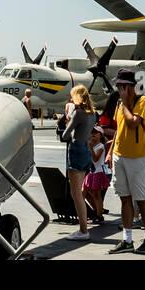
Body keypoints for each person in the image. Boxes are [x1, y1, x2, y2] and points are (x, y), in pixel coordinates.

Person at [106, 69, 145, 254]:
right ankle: (127, 240)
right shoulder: (120, 105)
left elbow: (133, 123)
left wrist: (125, 104)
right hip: (120, 156)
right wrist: (110, 152)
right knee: (124, 198)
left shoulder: (141, 101)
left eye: (122, 86)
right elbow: (119, 129)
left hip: (137, 157)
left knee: (142, 200)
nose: (119, 89)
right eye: (118, 86)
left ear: (131, 87)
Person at [62, 84, 96, 239]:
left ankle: (83, 230)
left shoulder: (78, 113)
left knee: (76, 193)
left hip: (76, 149)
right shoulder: (92, 113)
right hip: (86, 150)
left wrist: (68, 119)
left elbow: (65, 135)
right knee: (79, 191)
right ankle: (83, 227)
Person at [84, 126, 111, 224]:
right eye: (92, 133)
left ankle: (99, 215)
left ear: (100, 135)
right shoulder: (90, 145)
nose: (93, 135)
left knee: (97, 195)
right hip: (91, 172)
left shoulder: (100, 146)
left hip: (98, 172)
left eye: (96, 133)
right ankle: (96, 210)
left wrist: (90, 148)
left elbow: (95, 159)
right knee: (85, 192)